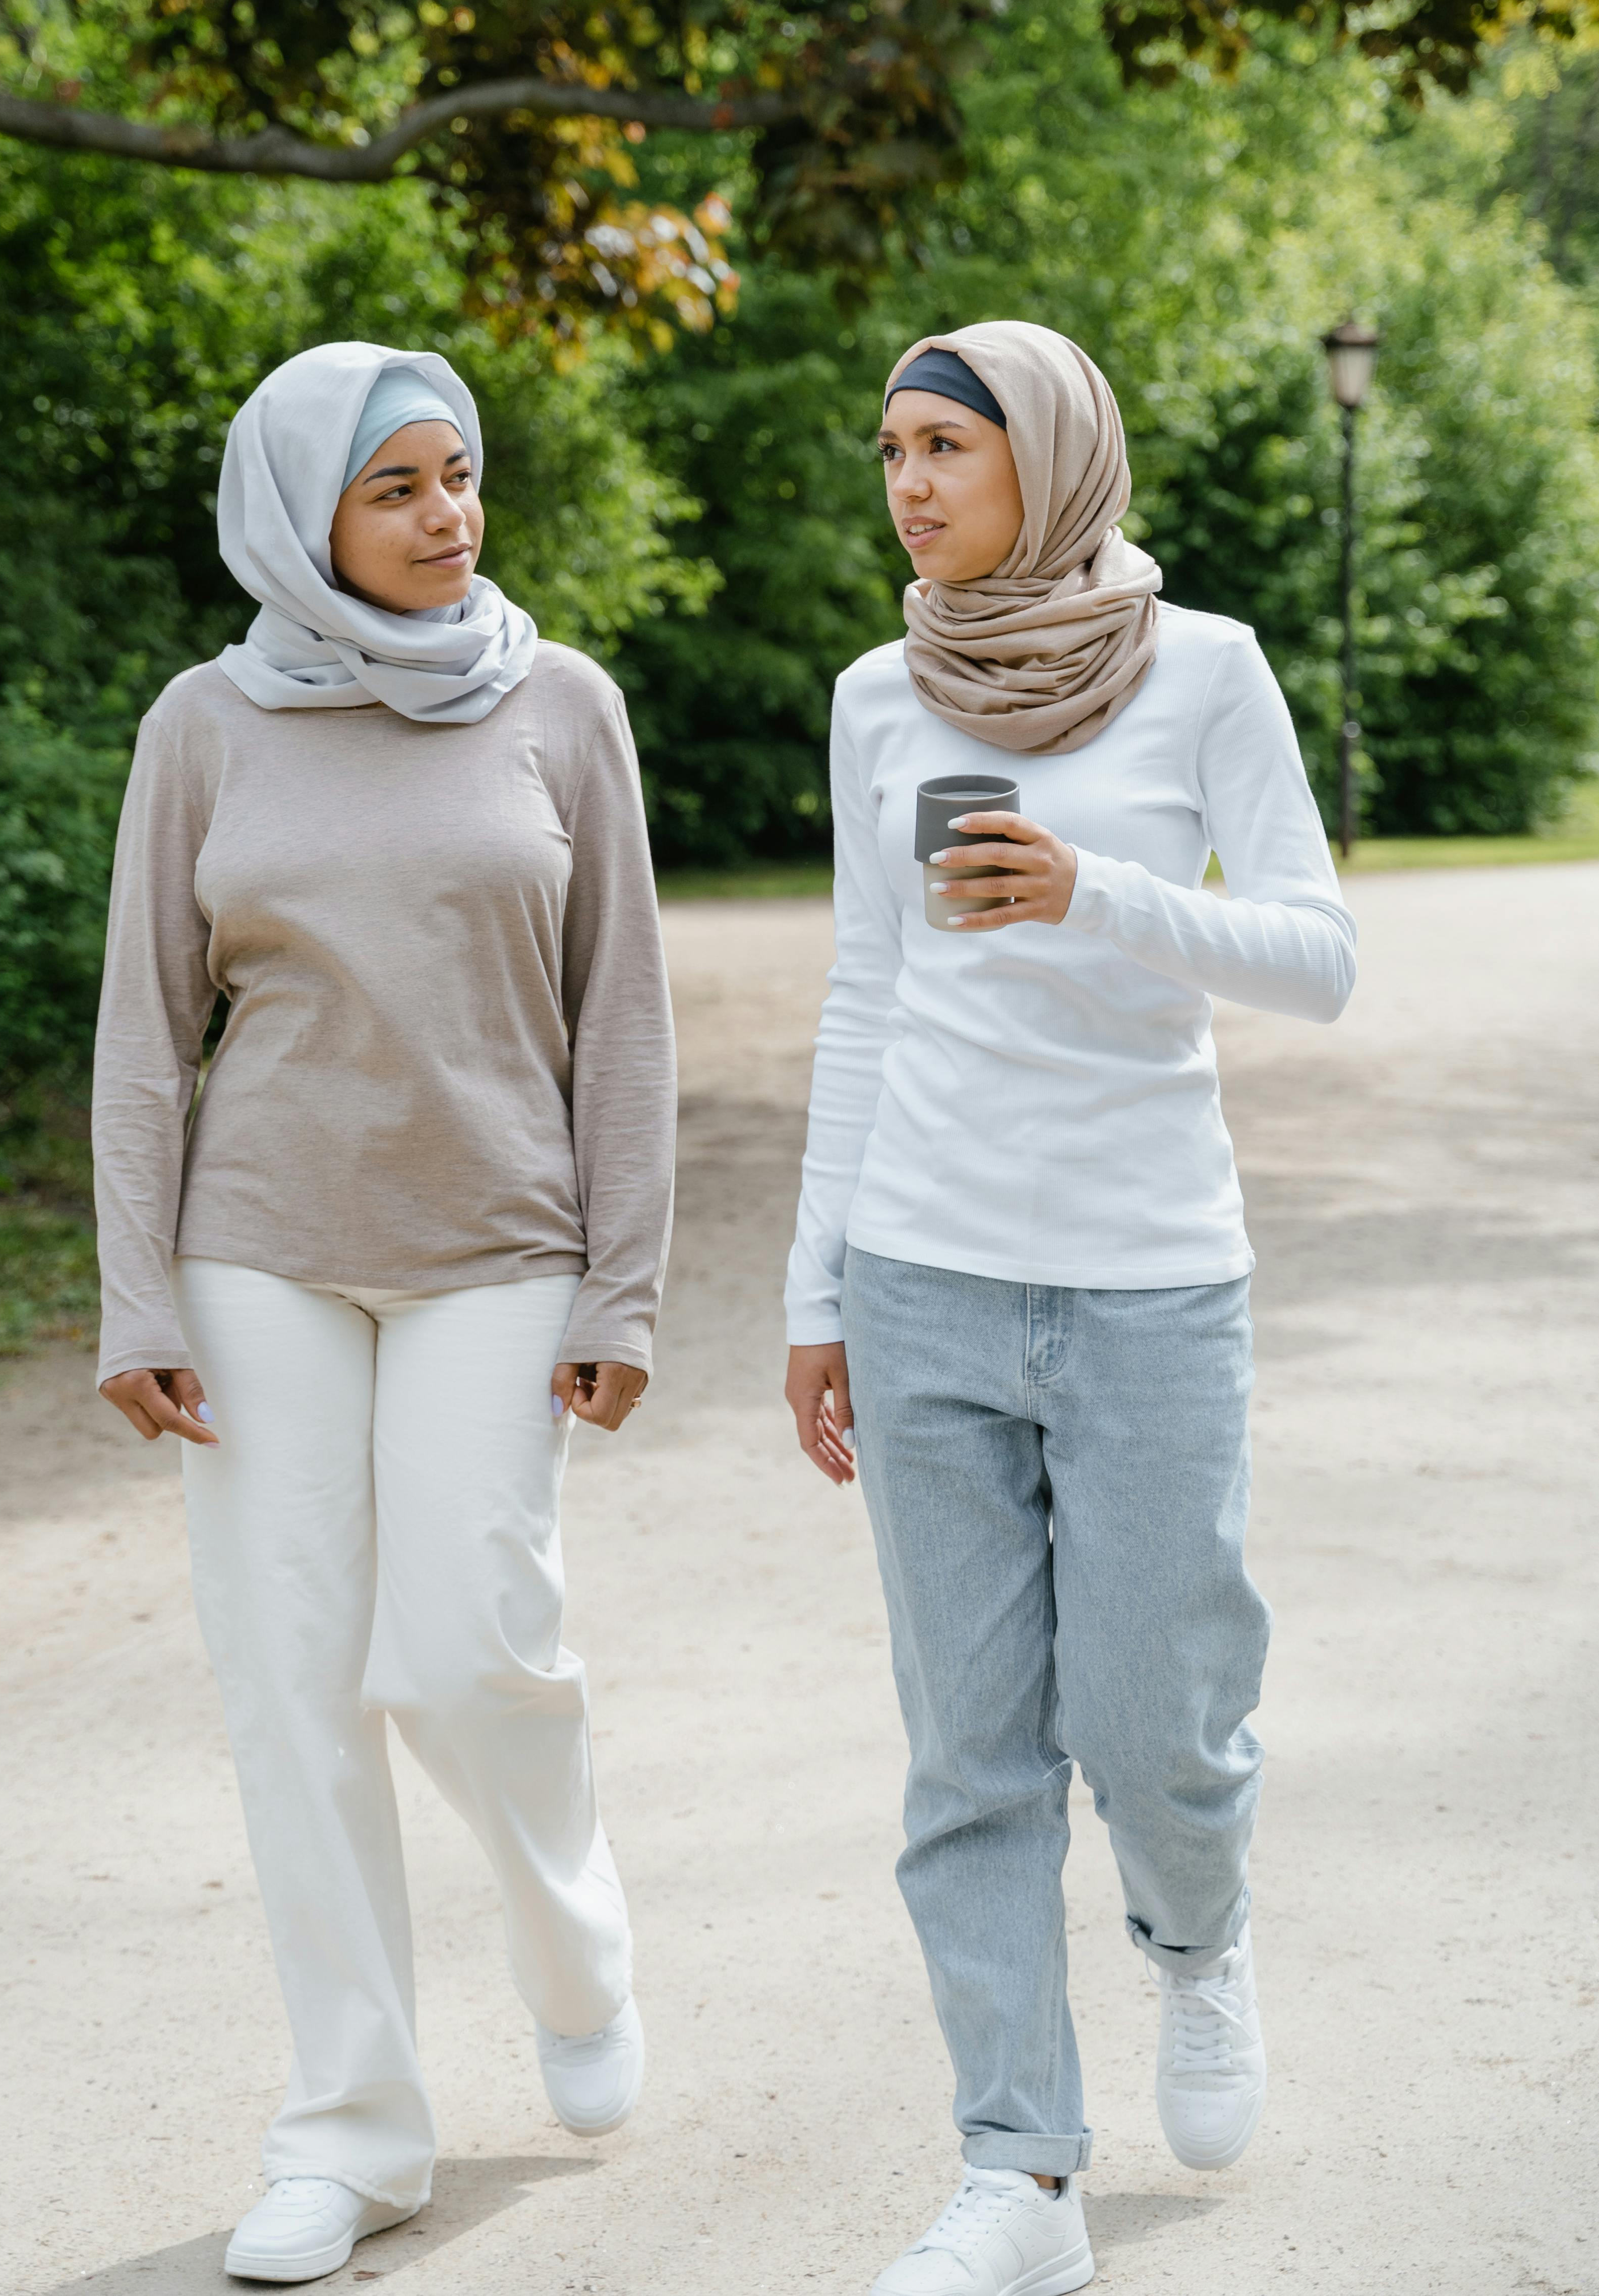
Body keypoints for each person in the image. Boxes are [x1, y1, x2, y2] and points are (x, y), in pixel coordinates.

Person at [91, 340, 675, 2287]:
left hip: (500, 1244)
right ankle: (350, 2128)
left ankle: (570, 1932)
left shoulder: (562, 705)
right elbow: (144, 1031)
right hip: (255, 1241)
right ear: (301, 519)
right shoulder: (205, 719)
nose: (447, 515)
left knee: (467, 1642)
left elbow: (625, 1020)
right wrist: (131, 1289)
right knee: (292, 1682)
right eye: (397, 487)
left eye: (459, 474)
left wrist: (628, 1280)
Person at [784, 321, 1355, 2296]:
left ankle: (1197, 1938)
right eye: (890, 451)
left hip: (1146, 1284)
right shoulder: (879, 692)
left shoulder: (1200, 668)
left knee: (1153, 1716)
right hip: (924, 1271)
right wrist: (813, 1286)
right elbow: (864, 996)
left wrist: (1099, 896)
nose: (912, 483)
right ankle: (1016, 2173)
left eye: (949, 444)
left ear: (1053, 454)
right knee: (969, 1753)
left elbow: (1318, 956)